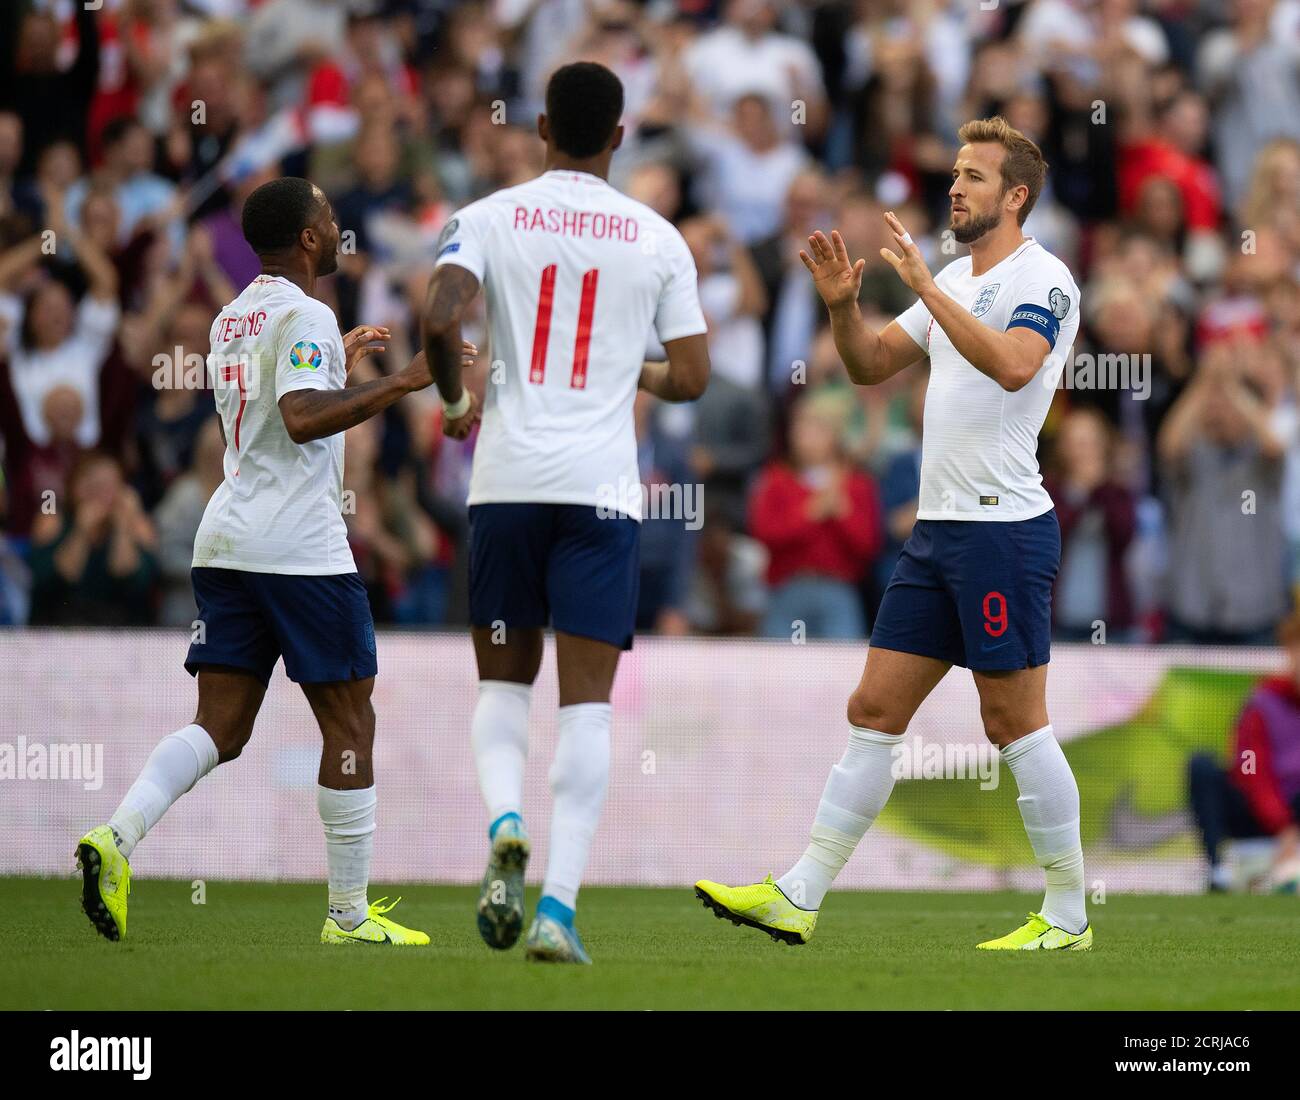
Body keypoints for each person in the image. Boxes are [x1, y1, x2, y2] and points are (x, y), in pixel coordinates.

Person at [696, 117, 1093, 951]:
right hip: (938, 532)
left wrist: (933, 290)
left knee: (1013, 725)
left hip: (1003, 532)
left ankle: (1068, 915)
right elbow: (872, 363)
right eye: (954, 172)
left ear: (1015, 195)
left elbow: (1018, 365)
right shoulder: (952, 273)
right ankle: (800, 893)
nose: (955, 186)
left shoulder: (1045, 277)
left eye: (974, 176)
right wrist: (843, 308)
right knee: (873, 708)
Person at [74, 176, 473, 947]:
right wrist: (404, 380)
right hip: (299, 548)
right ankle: (348, 916)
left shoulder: (235, 316)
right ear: (313, 239)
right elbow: (298, 420)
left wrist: (336, 365)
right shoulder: (308, 312)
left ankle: (115, 839)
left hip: (227, 543)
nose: (333, 216)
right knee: (351, 718)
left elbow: (275, 407)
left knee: (220, 727)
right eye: (327, 210)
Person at [422, 61, 709, 963]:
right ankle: (558, 911)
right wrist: (632, 369)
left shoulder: (487, 218)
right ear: (621, 136)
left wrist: (457, 402)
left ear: (542, 126)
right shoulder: (658, 237)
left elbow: (438, 317)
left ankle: (505, 821)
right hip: (600, 495)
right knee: (587, 706)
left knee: (502, 686)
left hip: (506, 486)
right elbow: (694, 377)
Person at [1188, 609, 1300, 893]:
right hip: (1262, 811)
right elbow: (1253, 772)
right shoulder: (1263, 703)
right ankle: (1217, 870)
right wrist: (1283, 826)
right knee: (1202, 767)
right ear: (1290, 652)